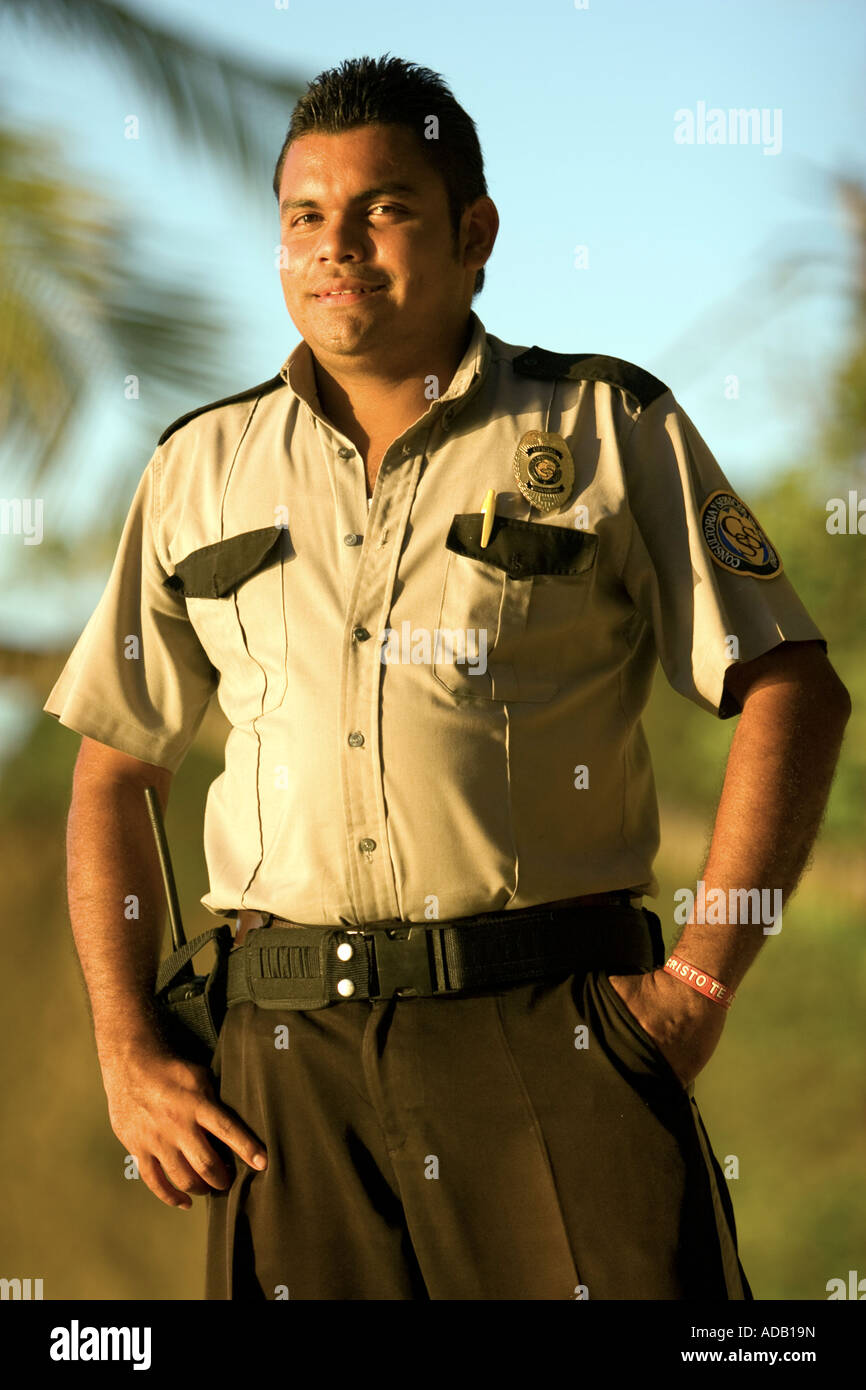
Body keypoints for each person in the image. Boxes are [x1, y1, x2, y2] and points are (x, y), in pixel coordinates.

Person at [44, 55, 850, 1302]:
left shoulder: (601, 426)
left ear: (473, 233)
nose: (337, 246)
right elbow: (115, 767)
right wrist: (123, 1044)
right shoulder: (194, 468)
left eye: (384, 208)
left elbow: (791, 686)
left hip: (558, 1034)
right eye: (305, 216)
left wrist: (694, 983)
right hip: (284, 1063)